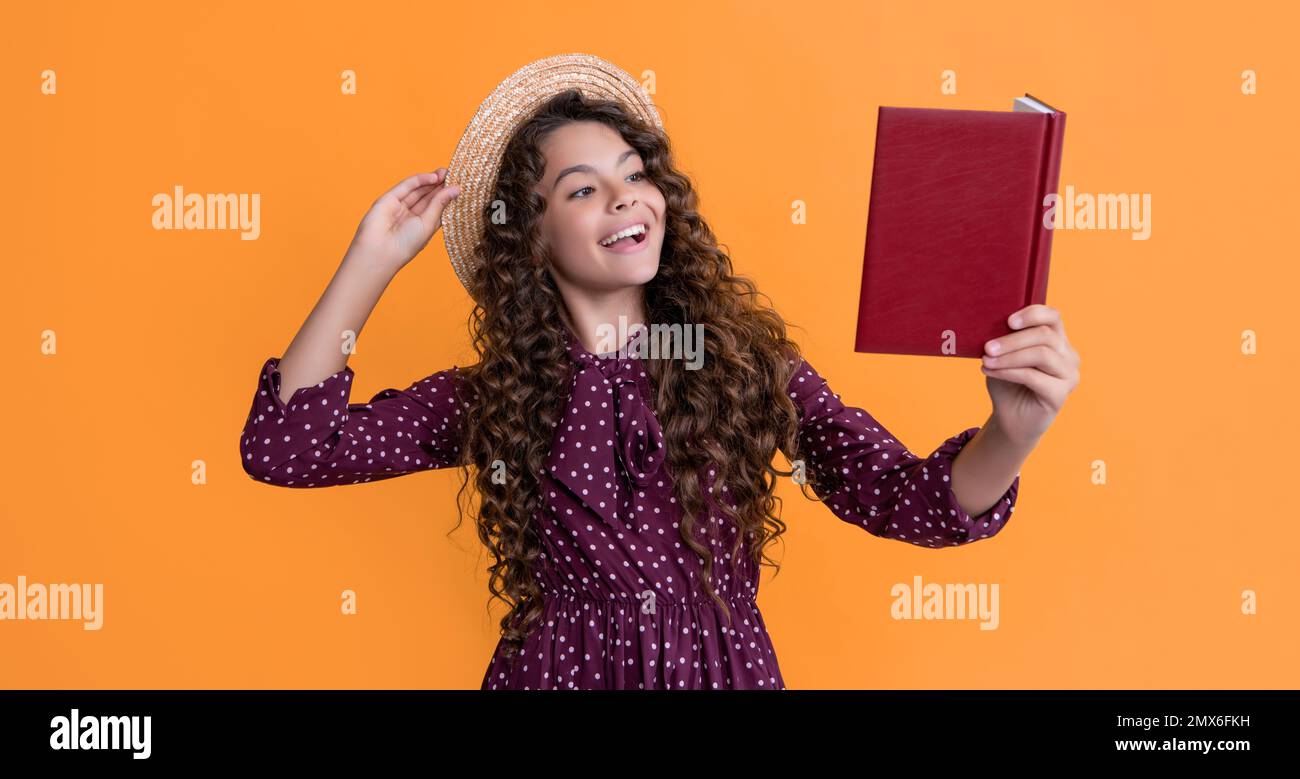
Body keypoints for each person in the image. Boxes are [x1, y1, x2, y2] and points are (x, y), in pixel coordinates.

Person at [239, 58, 1079, 690]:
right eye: (583, 190)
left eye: (636, 176)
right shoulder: (494, 395)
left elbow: (906, 499)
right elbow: (286, 448)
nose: (625, 199)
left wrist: (1011, 432)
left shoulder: (748, 363)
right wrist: (371, 262)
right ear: (532, 238)